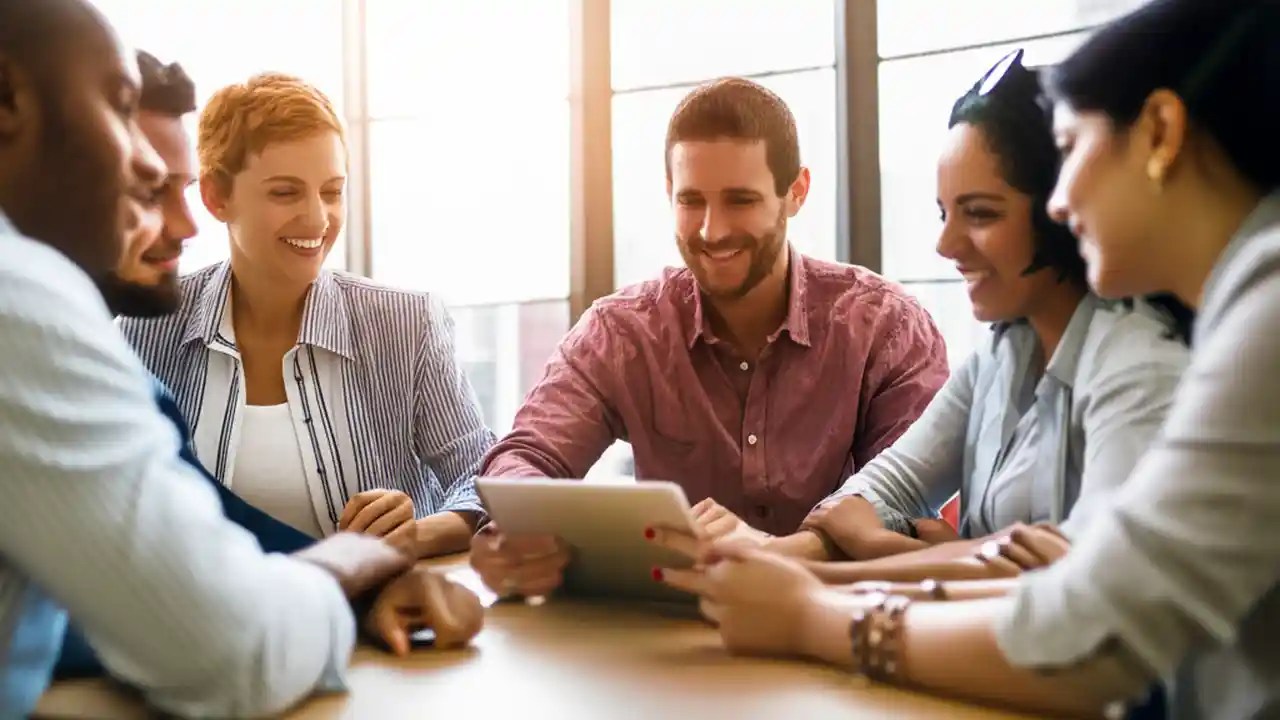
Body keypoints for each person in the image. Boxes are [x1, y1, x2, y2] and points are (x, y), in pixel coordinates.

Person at [653, 0, 1280, 717]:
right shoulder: (1012, 346)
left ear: (1163, 133)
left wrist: (814, 610)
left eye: (1070, 148)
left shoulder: (1241, 313)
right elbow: (1071, 587)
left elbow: (1096, 628)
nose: (1062, 199)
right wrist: (800, 573)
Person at [0, 3, 482, 717]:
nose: (141, 167)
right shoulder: (44, 309)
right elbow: (223, 640)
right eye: (118, 105)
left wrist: (395, 554)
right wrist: (355, 564)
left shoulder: (404, 320)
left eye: (332, 191)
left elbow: (183, 537)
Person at [693, 50, 1191, 585]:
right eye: (942, 213)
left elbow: (1086, 590)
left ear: (1063, 208)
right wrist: (766, 560)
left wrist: (875, 557)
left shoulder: (1138, 364)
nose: (946, 243)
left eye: (980, 213)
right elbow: (879, 492)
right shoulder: (1003, 353)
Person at [471, 77, 950, 598]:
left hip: (837, 625)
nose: (710, 231)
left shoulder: (887, 326)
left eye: (740, 201)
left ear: (796, 193)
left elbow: (908, 507)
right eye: (691, 200)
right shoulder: (624, 331)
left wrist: (779, 552)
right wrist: (521, 533)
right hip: (671, 638)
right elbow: (523, 456)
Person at [118, 72, 496, 558]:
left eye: (332, 192)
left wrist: (421, 531)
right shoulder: (145, 330)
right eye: (285, 192)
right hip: (204, 625)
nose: (318, 218)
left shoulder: (407, 323)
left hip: (379, 620)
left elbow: (485, 477)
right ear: (216, 197)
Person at [54, 49, 318, 680]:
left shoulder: (110, 363)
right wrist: (344, 579)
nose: (185, 225)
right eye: (148, 190)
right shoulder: (51, 346)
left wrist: (370, 573)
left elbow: (210, 516)